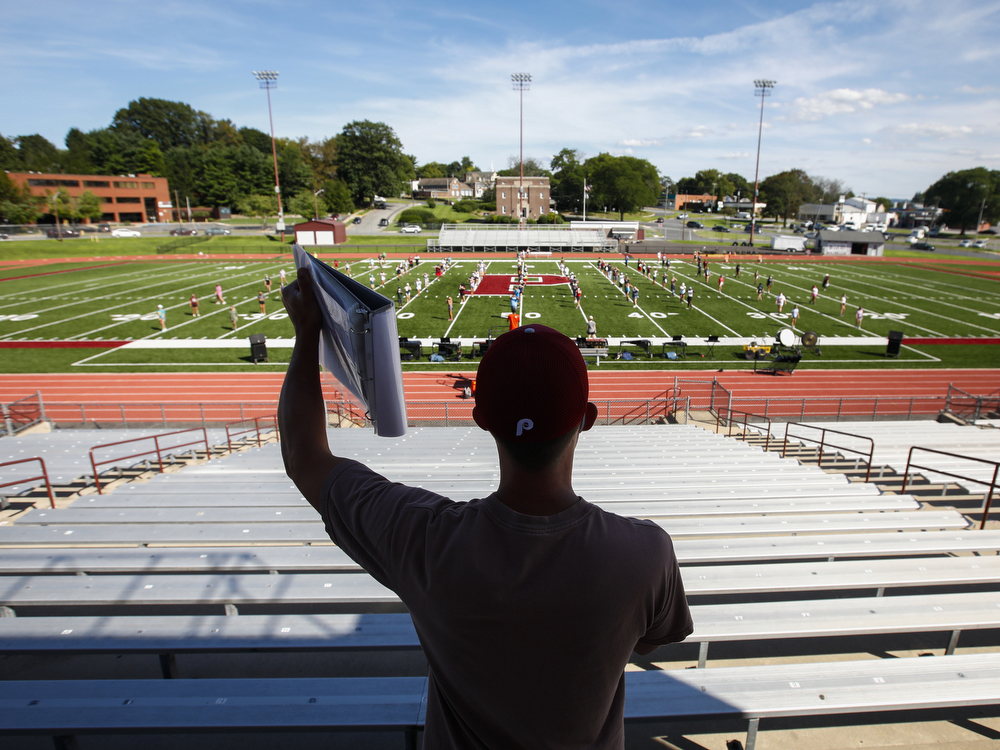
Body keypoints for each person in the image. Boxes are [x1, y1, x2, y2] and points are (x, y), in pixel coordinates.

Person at [277, 280, 693, 747]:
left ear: (481, 419)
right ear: (587, 418)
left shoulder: (423, 539)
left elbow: (303, 456)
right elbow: (652, 639)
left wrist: (307, 331)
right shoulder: (645, 554)